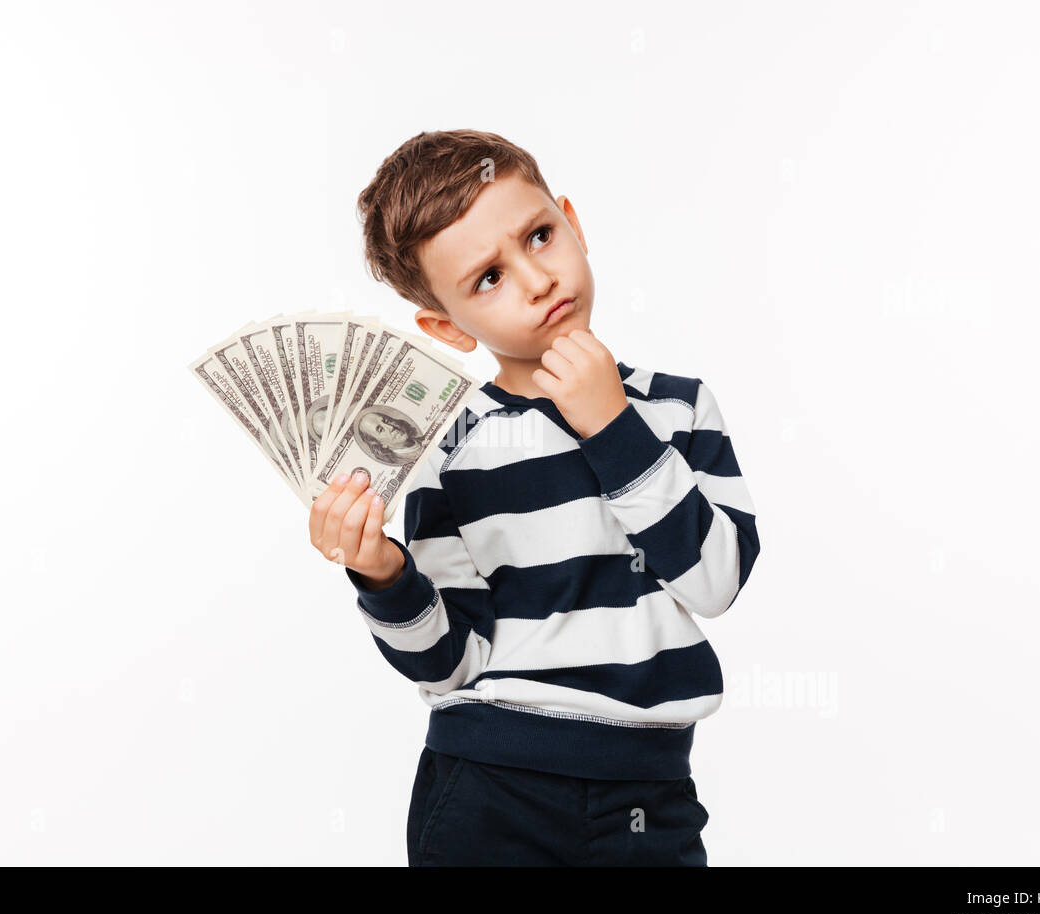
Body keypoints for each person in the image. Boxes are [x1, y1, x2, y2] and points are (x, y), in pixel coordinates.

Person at [307, 129, 761, 866]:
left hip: (649, 794)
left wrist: (613, 427)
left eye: (540, 236)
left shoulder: (678, 409)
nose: (537, 280)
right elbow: (448, 663)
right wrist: (383, 575)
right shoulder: (449, 448)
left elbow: (716, 582)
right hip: (492, 789)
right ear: (447, 327)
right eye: (489, 278)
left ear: (572, 222)